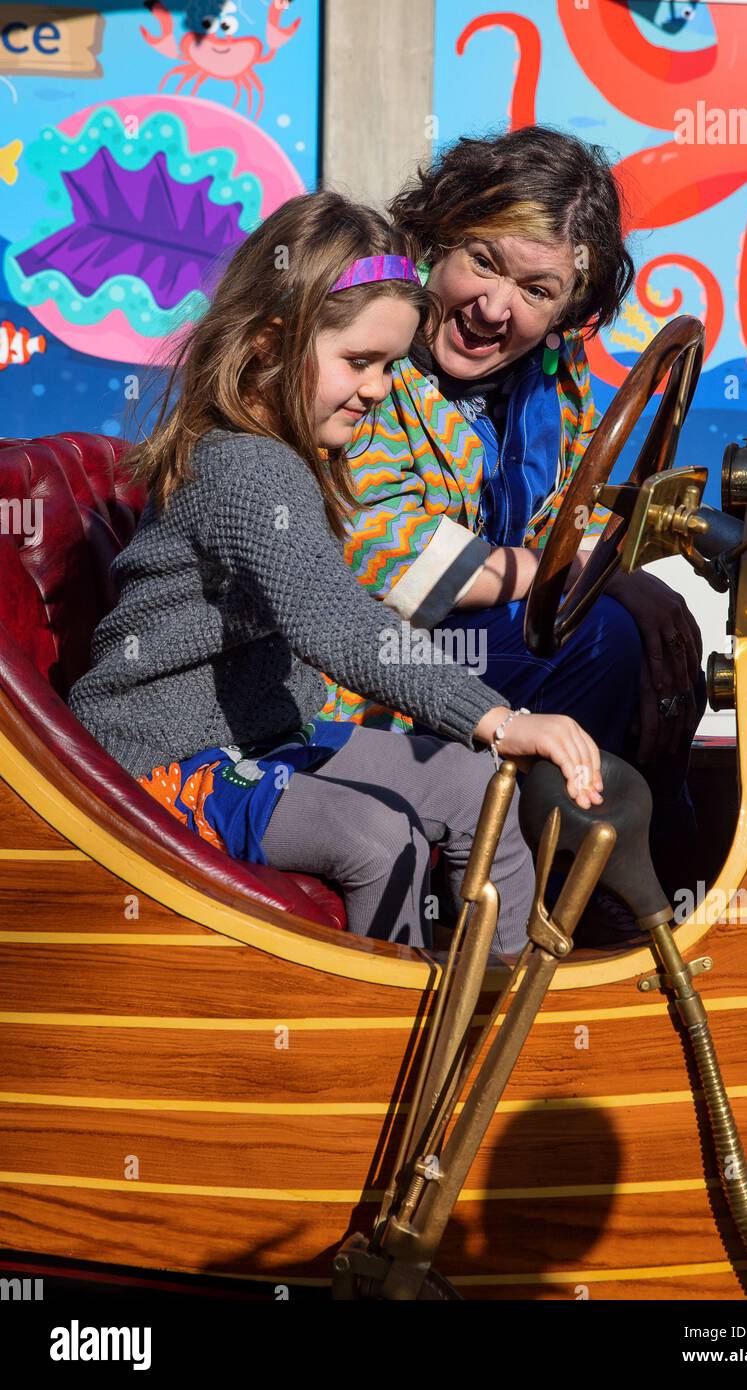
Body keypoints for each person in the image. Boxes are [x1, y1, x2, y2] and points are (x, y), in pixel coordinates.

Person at [68, 190, 605, 958]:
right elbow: (337, 621)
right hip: (163, 758)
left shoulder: (296, 454)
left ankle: (500, 1003)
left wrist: (491, 740)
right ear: (268, 343)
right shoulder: (245, 467)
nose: (379, 389)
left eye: (390, 365)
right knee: (375, 836)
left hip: (263, 733)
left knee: (475, 787)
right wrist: (500, 719)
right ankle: (384, 1048)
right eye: (360, 362)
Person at [322, 126, 706, 901]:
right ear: (436, 237)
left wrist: (617, 573)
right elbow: (387, 557)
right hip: (356, 666)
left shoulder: (547, 376)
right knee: (603, 639)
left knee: (667, 653)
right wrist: (590, 582)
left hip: (472, 638)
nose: (494, 309)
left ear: (569, 305)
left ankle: (655, 867)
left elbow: (567, 509)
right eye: (483, 261)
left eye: (537, 291)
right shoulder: (369, 355)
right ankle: (562, 884)